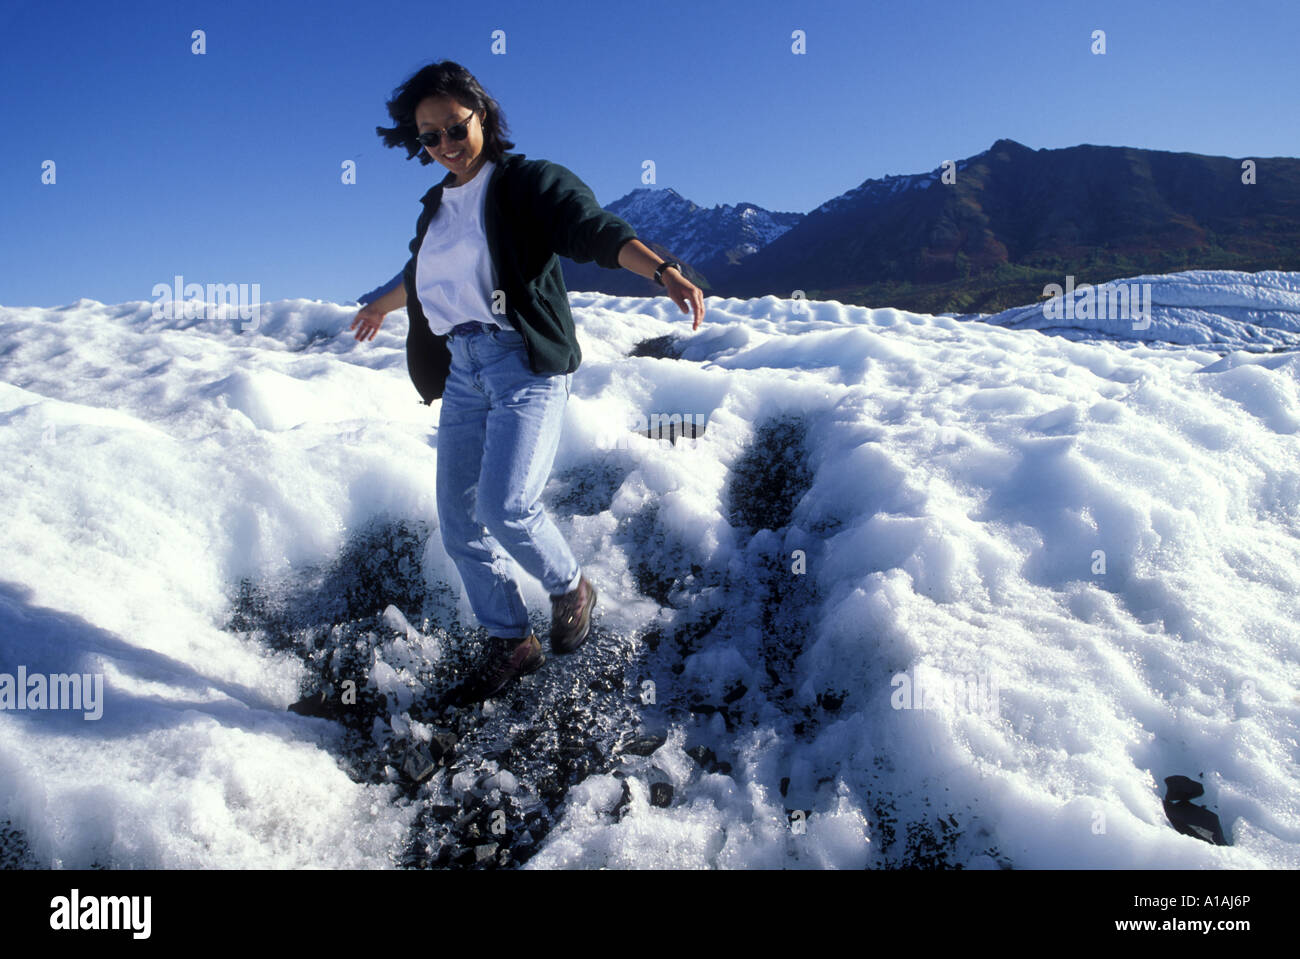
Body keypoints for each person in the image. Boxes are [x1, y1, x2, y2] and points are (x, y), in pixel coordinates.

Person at [349, 61, 705, 704]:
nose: (445, 147)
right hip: (463, 373)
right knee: (459, 523)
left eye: (455, 128)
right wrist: (380, 305)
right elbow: (419, 273)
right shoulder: (435, 206)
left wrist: (664, 270)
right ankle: (510, 639)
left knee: (506, 507)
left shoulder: (527, 183)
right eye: (428, 138)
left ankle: (571, 587)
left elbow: (594, 230)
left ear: (481, 114)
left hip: (522, 365)